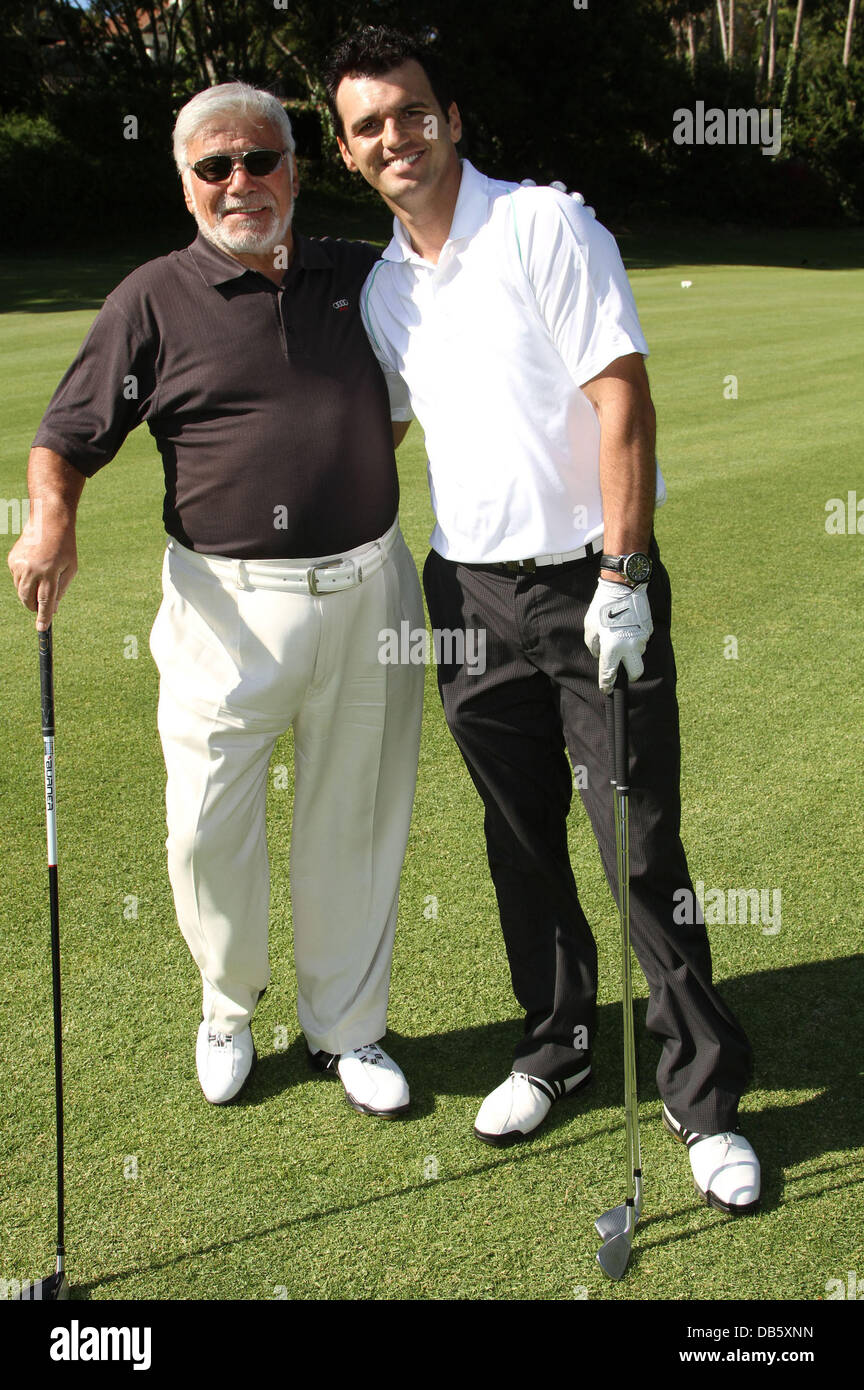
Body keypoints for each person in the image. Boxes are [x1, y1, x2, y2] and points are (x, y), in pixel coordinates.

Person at [323, 27, 761, 1213]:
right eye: (369, 126)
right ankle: (559, 1040)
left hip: (588, 584)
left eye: (411, 112)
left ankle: (703, 1094)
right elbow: (401, 431)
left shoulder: (542, 225)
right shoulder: (382, 288)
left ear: (450, 116)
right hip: (465, 589)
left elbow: (620, 394)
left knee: (639, 841)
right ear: (351, 151)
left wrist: (625, 570)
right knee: (517, 836)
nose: (395, 138)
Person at [7, 82, 425, 1118]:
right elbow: (65, 441)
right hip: (222, 609)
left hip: (371, 591)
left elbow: (413, 398)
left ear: (296, 164)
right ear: (187, 181)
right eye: (215, 167)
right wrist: (49, 521)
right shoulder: (151, 298)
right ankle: (227, 1005)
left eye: (261, 159)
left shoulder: (359, 273)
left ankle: (347, 1027)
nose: (242, 183)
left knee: (356, 820)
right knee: (202, 829)